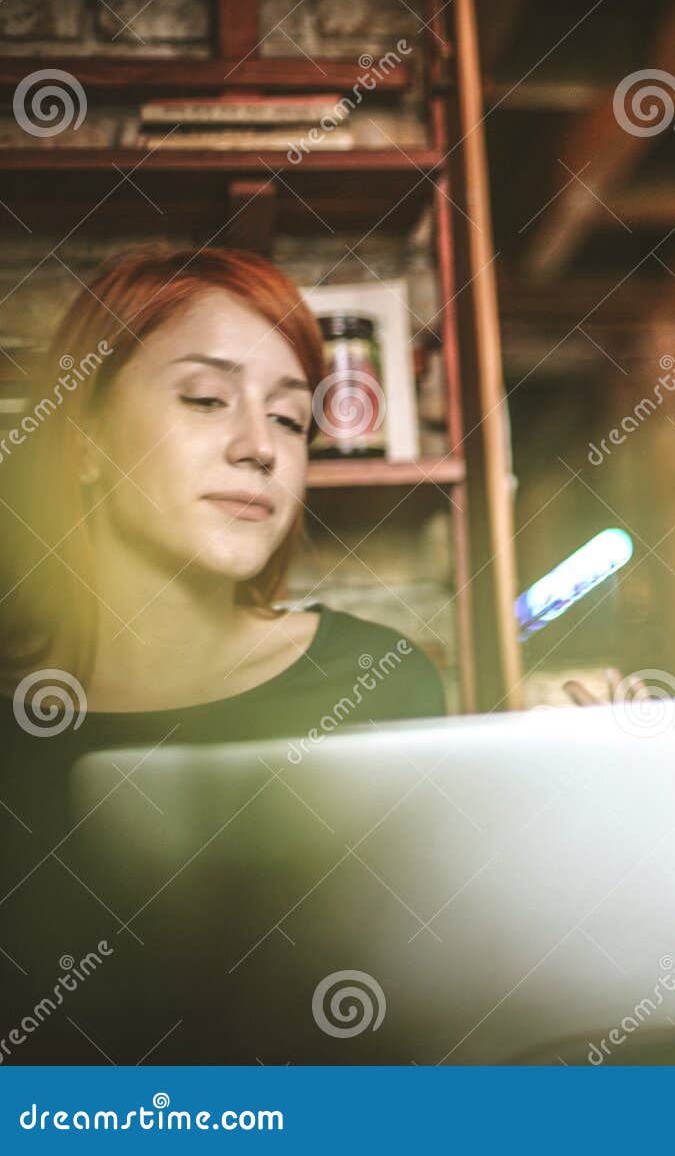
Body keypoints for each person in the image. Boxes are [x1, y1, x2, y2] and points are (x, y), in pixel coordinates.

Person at [0, 246, 444, 1060]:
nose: (260, 447)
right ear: (86, 439)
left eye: (288, 417)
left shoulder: (377, 680)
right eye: (206, 398)